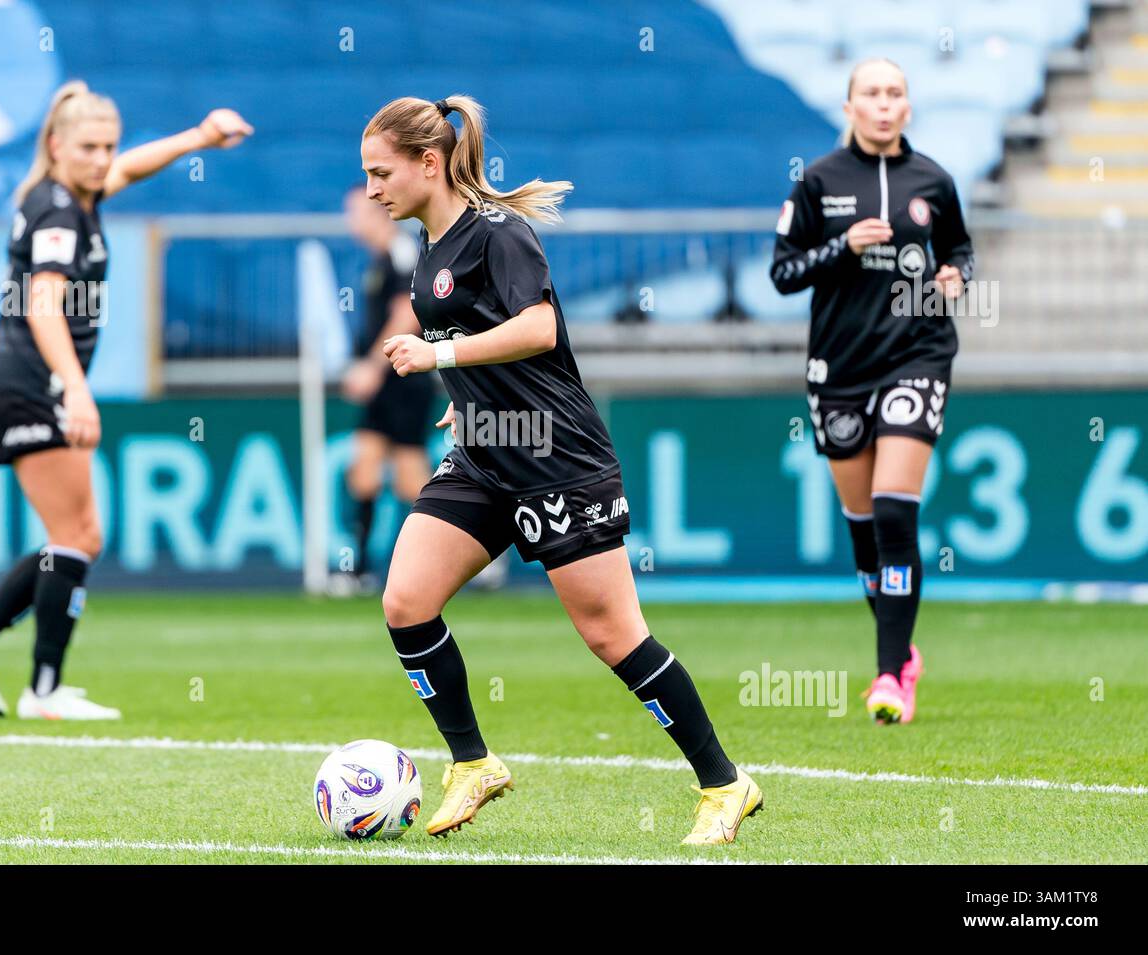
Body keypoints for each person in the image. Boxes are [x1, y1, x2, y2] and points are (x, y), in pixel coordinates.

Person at [363, 94, 762, 844]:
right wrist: (465, 396)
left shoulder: (499, 233)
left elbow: (539, 327)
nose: (372, 189)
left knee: (614, 635)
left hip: (557, 460)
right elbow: (485, 338)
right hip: (483, 455)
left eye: (381, 173)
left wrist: (440, 356)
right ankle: (473, 761)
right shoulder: (428, 248)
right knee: (405, 600)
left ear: (427, 162)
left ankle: (724, 782)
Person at [0, 81, 253, 720]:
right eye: (88, 147)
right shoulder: (55, 209)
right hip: (32, 385)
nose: (104, 158)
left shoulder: (74, 194)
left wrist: (202, 137)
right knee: (78, 533)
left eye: (107, 145)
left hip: (26, 384)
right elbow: (44, 303)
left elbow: (131, 166)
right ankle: (40, 690)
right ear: (56, 145)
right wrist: (76, 388)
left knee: (75, 535)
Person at [770, 58, 974, 724]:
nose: (884, 104)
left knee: (893, 511)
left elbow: (961, 251)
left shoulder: (934, 182)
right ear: (850, 105)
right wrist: (842, 247)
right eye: (872, 94)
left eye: (895, 94)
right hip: (840, 369)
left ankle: (889, 675)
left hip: (917, 355)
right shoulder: (818, 181)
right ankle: (902, 649)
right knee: (863, 531)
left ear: (907, 108)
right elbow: (783, 273)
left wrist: (955, 277)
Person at [336, 186, 437, 593]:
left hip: (406, 381)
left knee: (411, 480)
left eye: (355, 212)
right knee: (364, 470)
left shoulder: (403, 252)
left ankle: (471, 558)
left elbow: (408, 313)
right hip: (387, 384)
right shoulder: (379, 260)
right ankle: (359, 568)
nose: (350, 221)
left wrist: (373, 369)